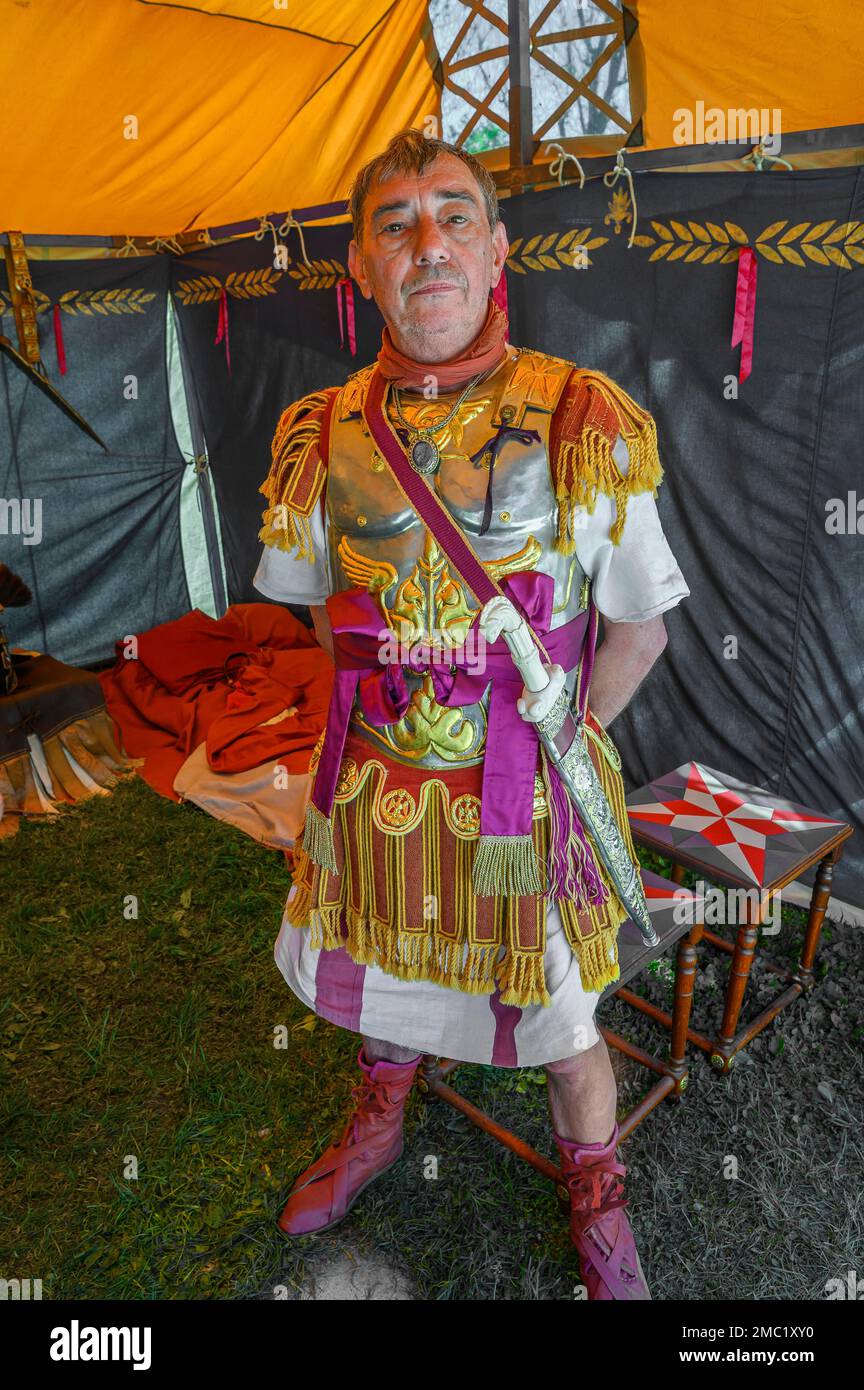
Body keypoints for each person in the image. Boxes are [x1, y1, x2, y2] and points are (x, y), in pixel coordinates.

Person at [253, 128, 690, 1300]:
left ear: (498, 250)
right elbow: (315, 619)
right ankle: (380, 1125)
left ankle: (596, 1191)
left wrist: (556, 748)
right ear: (360, 265)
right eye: (395, 223)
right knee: (380, 973)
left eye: (454, 217)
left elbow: (640, 628)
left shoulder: (577, 421)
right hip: (376, 793)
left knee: (554, 1016)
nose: (427, 243)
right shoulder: (319, 434)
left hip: (513, 811)